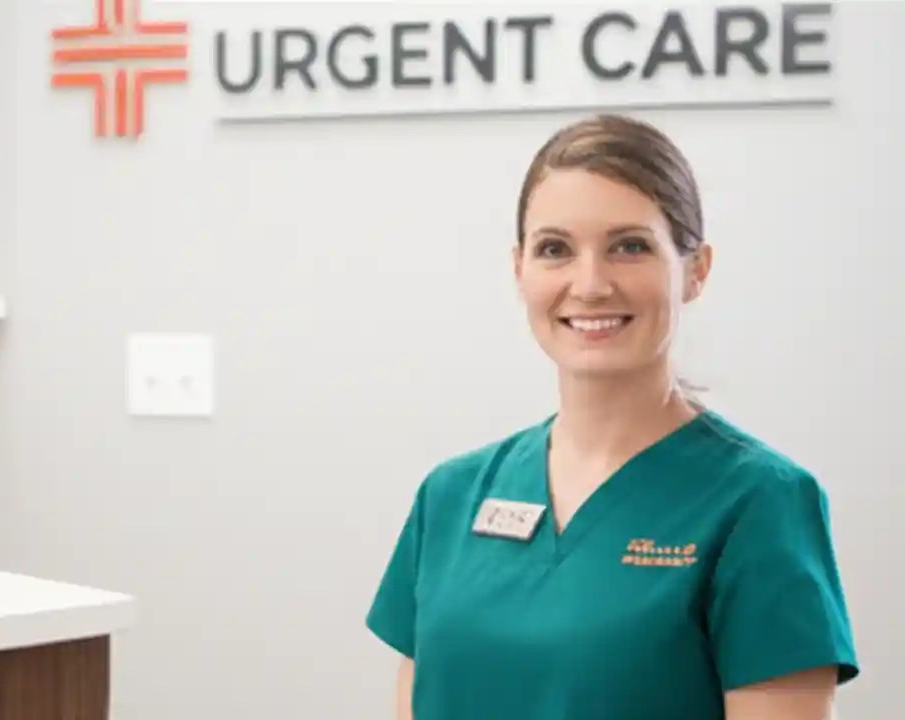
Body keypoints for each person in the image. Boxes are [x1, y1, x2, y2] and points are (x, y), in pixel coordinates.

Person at [365, 114, 859, 720]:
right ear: (520, 268)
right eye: (555, 250)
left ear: (696, 270)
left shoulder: (759, 503)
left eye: (630, 246)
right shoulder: (451, 497)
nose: (590, 284)